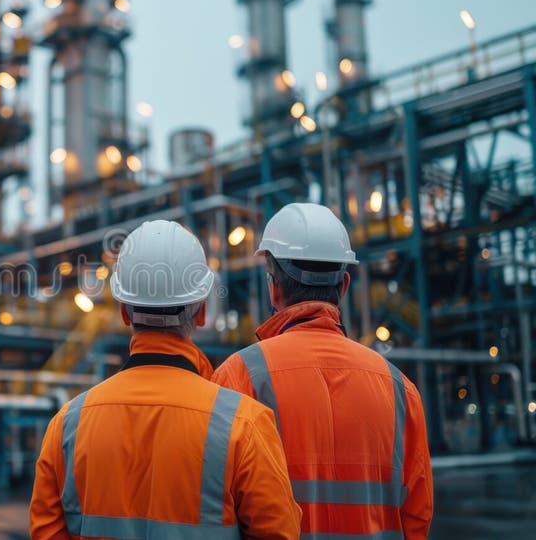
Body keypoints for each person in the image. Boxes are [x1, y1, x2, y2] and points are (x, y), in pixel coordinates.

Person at [30, 220, 301, 540]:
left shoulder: (66, 426)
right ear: (201, 313)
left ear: (124, 313)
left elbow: (46, 532)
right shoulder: (244, 424)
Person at [212, 203, 434, 539]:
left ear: (274, 288)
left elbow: (218, 508)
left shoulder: (238, 377)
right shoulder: (400, 388)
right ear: (344, 286)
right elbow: (417, 517)